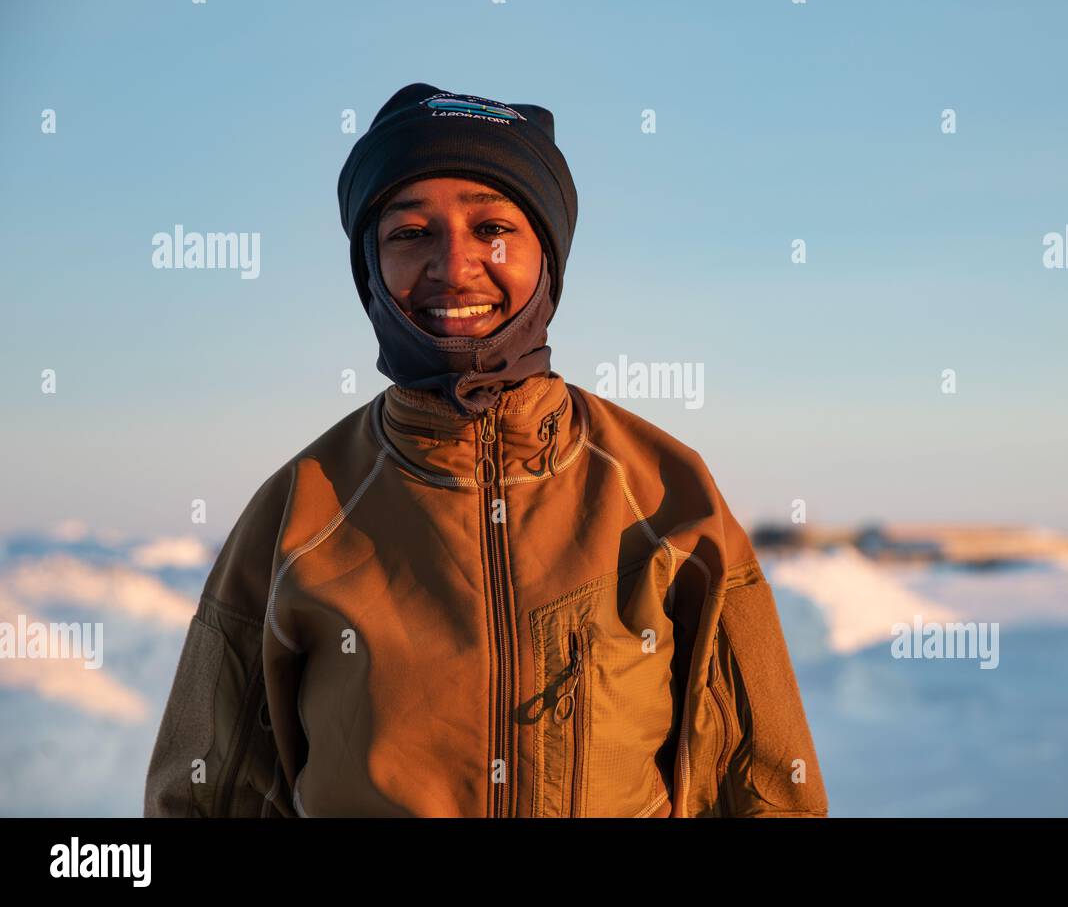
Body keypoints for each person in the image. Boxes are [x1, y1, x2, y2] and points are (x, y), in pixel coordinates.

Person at [143, 83, 828, 818]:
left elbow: (763, 784)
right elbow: (201, 798)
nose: (454, 265)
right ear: (369, 266)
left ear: (549, 256)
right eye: (410, 233)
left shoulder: (663, 490)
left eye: (493, 228)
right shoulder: (302, 509)